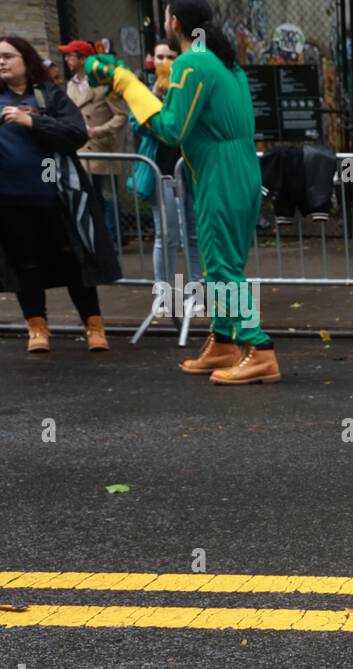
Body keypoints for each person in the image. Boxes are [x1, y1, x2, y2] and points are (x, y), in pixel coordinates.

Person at [87, 0, 279, 384]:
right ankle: (225, 340)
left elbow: (172, 129)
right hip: (241, 168)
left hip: (219, 176)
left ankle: (260, 350)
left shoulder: (192, 63)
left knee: (222, 268)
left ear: (173, 21)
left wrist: (126, 83)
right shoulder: (224, 61)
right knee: (224, 265)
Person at [0, 36, 118, 352]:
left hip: (55, 195)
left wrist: (32, 121)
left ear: (26, 60)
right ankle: (36, 329)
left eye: (8, 56)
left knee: (74, 262)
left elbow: (76, 133)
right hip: (10, 199)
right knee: (25, 265)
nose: (1, 62)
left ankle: (94, 325)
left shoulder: (48, 96)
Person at [129, 41, 202, 325]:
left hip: (188, 172)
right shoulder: (146, 93)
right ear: (151, 59)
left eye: (171, 57)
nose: (165, 61)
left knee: (193, 234)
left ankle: (197, 292)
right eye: (160, 56)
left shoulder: (187, 87)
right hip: (161, 173)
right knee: (166, 235)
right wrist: (154, 97)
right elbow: (136, 126)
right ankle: (165, 294)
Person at [60, 39, 127, 249]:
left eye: (70, 55)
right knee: (89, 197)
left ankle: (113, 241)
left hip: (103, 148)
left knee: (108, 198)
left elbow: (121, 115)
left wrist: (98, 130)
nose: (66, 59)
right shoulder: (70, 85)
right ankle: (97, 242)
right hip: (81, 150)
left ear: (82, 58)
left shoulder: (103, 83)